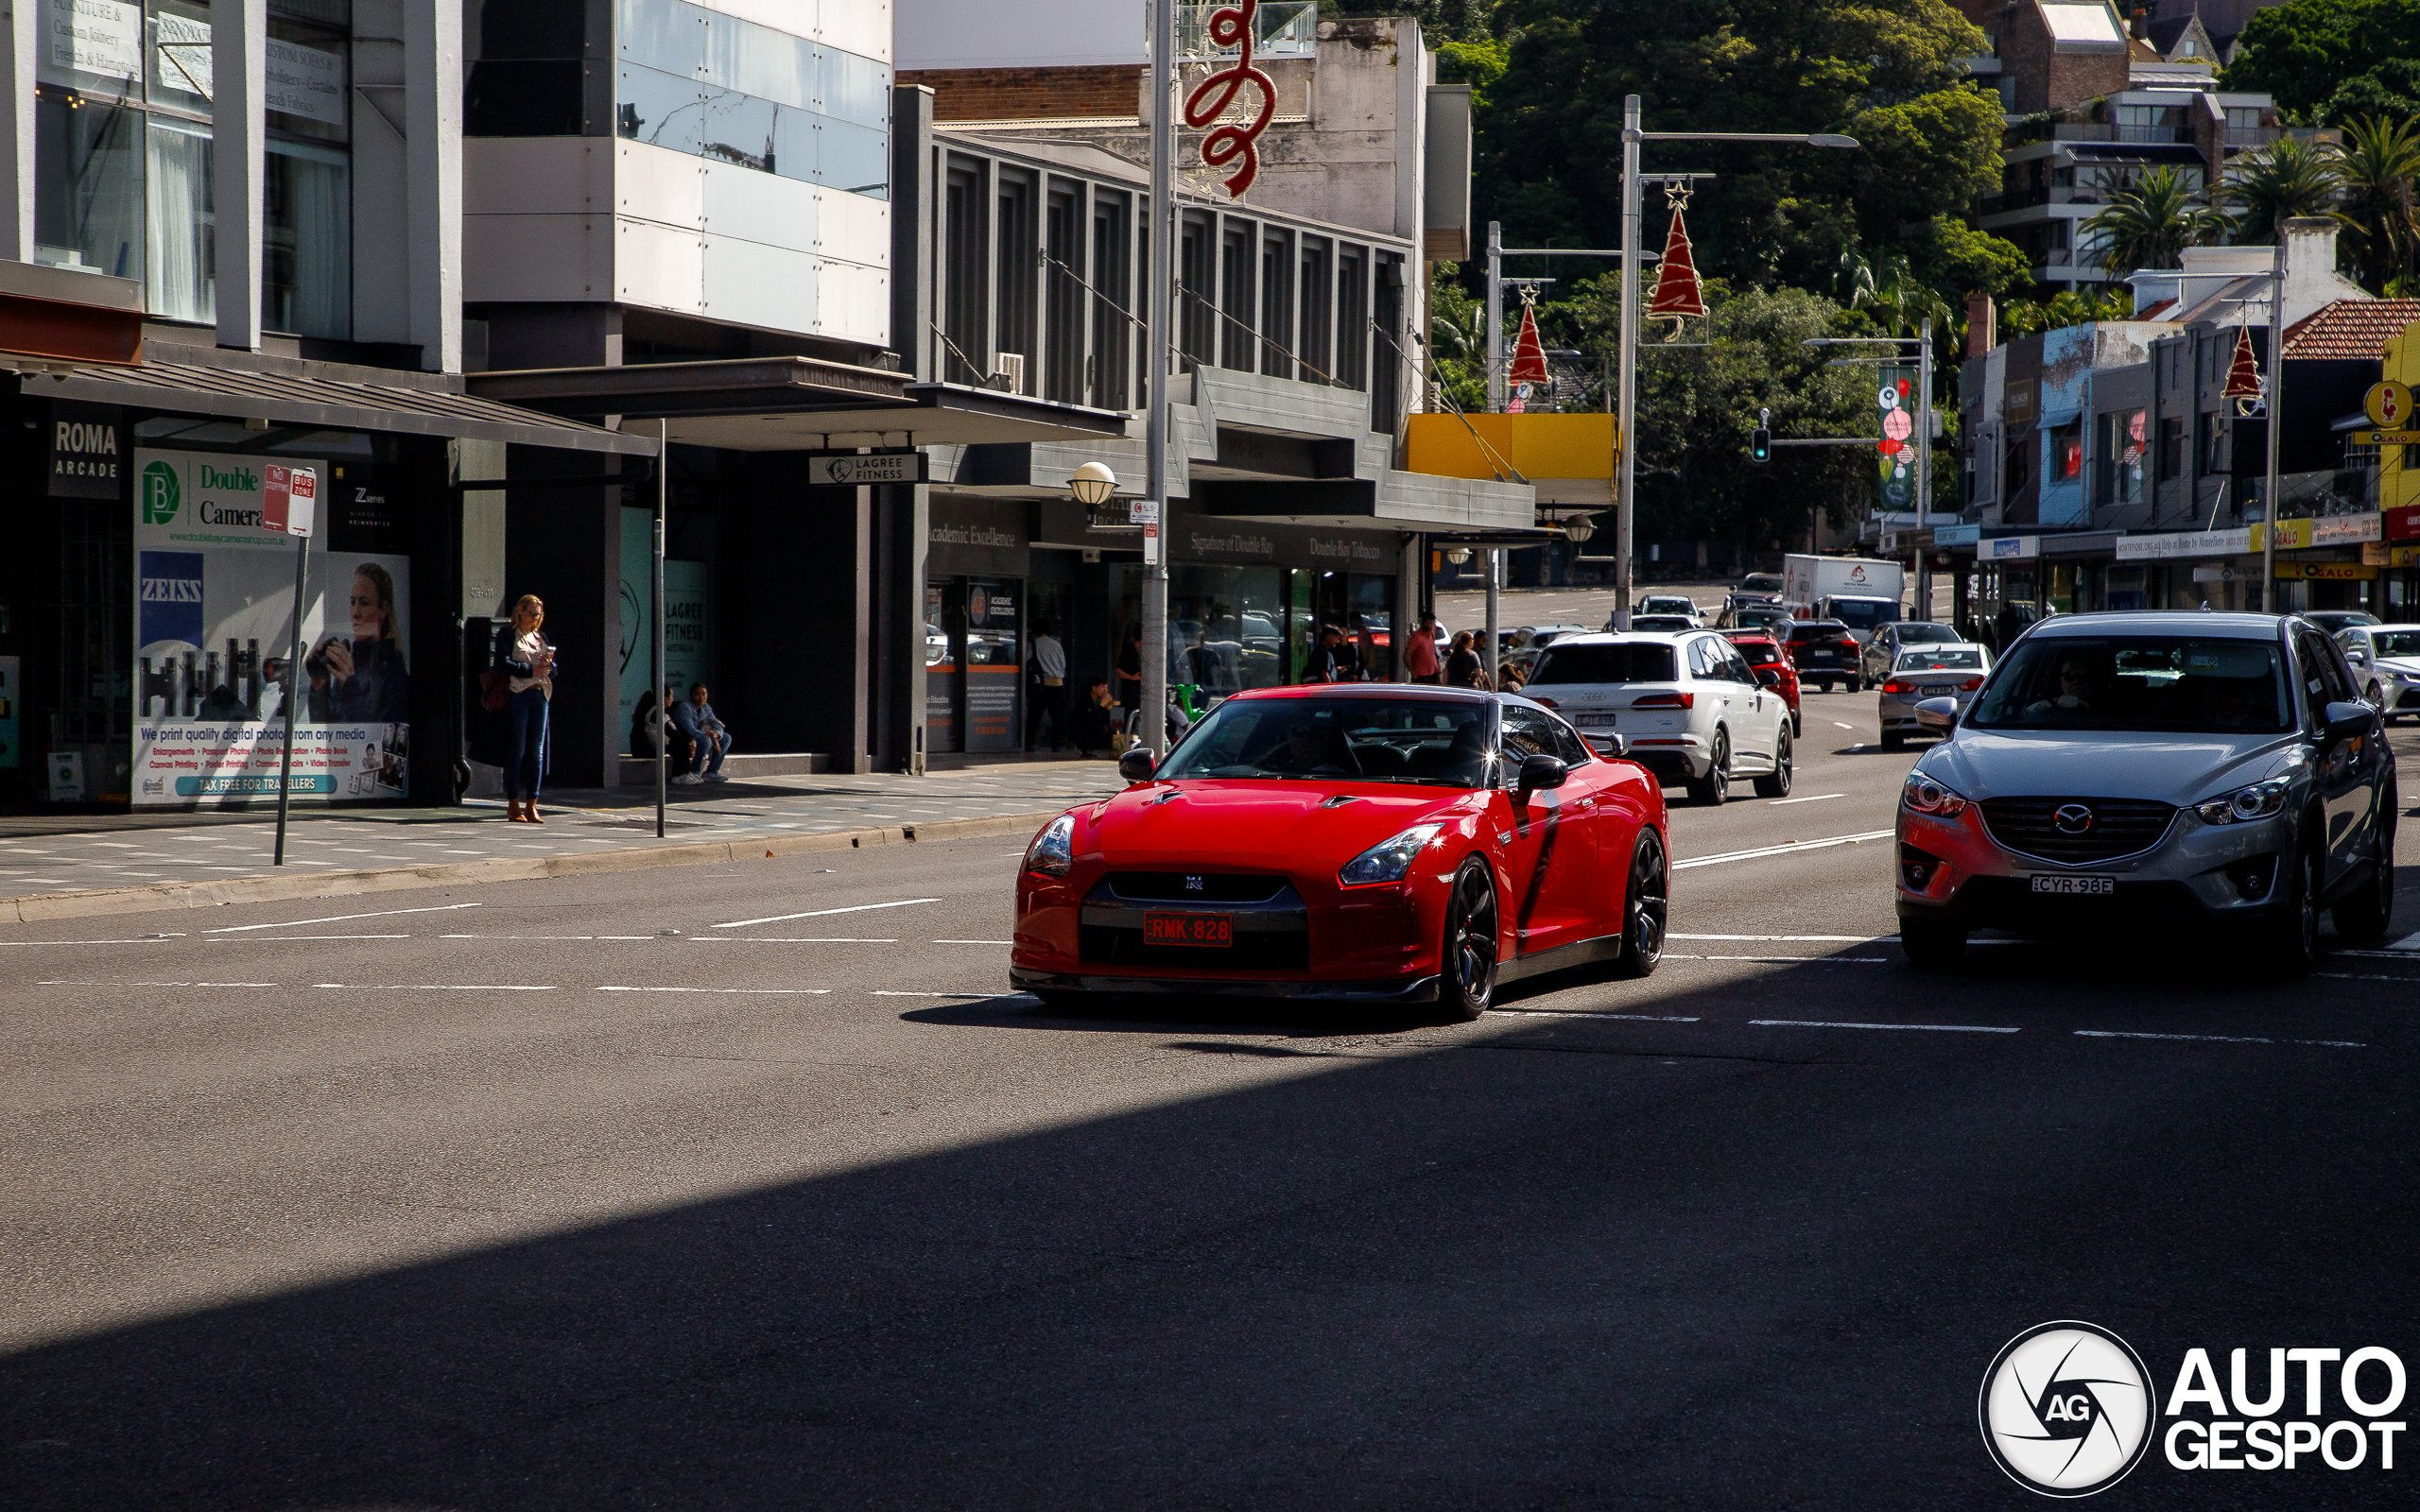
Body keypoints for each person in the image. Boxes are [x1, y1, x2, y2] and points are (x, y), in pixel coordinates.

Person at [308, 563, 410, 723]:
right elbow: (327, 730)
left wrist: (350, 685)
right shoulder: (352, 664)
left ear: (383, 610)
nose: (355, 613)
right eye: (352, 602)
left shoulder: (394, 674)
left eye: (364, 603)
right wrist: (319, 686)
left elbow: (376, 733)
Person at [495, 593, 555, 822]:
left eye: (538, 614)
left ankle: (532, 804)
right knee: (517, 749)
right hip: (518, 693)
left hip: (541, 694)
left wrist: (549, 665)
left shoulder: (540, 637)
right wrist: (530, 670)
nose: (534, 618)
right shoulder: (508, 634)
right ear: (519, 611)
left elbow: (554, 669)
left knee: (536, 752)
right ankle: (513, 804)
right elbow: (502, 663)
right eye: (531, 613)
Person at [671, 683, 734, 783]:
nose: (701, 697)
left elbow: (718, 725)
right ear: (691, 695)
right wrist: (709, 737)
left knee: (726, 738)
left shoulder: (706, 708)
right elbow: (690, 729)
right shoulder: (685, 707)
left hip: (703, 736)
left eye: (704, 694)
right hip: (687, 737)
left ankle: (711, 772)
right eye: (697, 694)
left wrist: (716, 735)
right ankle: (694, 772)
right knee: (705, 740)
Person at [1028, 620, 1069, 750]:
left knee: (1035, 715)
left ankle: (1030, 742)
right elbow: (1063, 664)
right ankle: (1056, 744)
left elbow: (1027, 660)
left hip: (1041, 684)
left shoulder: (1033, 644)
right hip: (1058, 683)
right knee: (1057, 716)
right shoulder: (1056, 644)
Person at [1070, 676, 1116, 757]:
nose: (1105, 690)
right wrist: (1101, 706)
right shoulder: (1084, 701)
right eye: (1102, 687)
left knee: (1111, 731)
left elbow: (1104, 722)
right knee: (1099, 729)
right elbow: (1091, 720)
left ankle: (1091, 749)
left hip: (1093, 729)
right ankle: (1082, 748)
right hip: (1080, 731)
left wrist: (1107, 709)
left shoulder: (1099, 701)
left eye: (1106, 687)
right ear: (1094, 688)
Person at [1405, 611, 1442, 683]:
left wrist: (1437, 666)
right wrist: (1412, 671)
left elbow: (1433, 653)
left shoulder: (1431, 634)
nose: (1429, 625)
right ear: (1422, 622)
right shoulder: (1416, 637)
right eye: (1427, 623)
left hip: (1433, 673)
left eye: (1431, 623)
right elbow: (1406, 656)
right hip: (1421, 675)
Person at [1115, 625, 1144, 716]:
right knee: (1130, 715)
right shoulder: (1128, 653)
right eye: (1139, 642)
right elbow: (1118, 670)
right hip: (1130, 692)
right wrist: (1131, 677)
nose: (1140, 645)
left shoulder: (1139, 654)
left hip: (1139, 692)